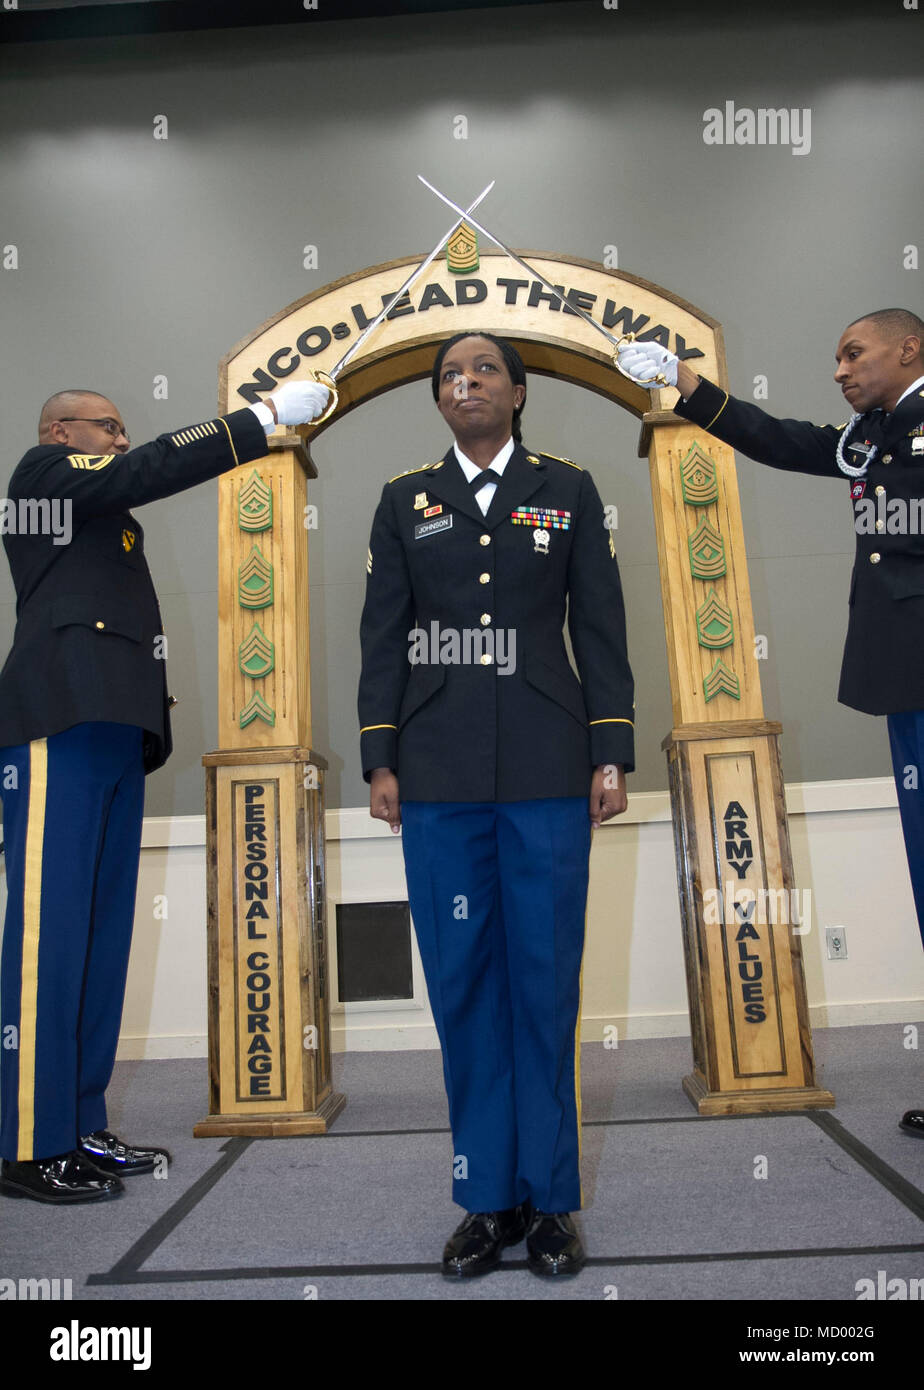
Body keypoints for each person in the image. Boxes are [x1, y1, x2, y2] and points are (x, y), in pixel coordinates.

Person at [0, 378, 330, 1203]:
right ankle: (26, 1144)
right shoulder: (41, 475)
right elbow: (140, 469)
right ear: (57, 429)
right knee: (48, 936)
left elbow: (127, 482)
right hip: (58, 720)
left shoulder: (105, 516)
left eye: (119, 429)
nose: (116, 439)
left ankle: (76, 1122)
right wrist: (257, 422)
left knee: (100, 940)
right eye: (103, 427)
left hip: (113, 729)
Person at [358, 331, 634, 1277]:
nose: (462, 384)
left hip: (550, 763)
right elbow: (383, 636)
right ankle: (488, 1200)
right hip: (435, 770)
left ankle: (552, 1203)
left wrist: (612, 752)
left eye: (481, 372)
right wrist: (378, 757)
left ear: (517, 391)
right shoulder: (404, 498)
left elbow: (599, 622)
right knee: (463, 984)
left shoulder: (570, 488)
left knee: (545, 982)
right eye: (447, 376)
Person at [617, 307, 924, 1141]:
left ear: (910, 347)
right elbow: (775, 438)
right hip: (909, 685)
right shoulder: (876, 434)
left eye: (852, 354)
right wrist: (682, 381)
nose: (839, 369)